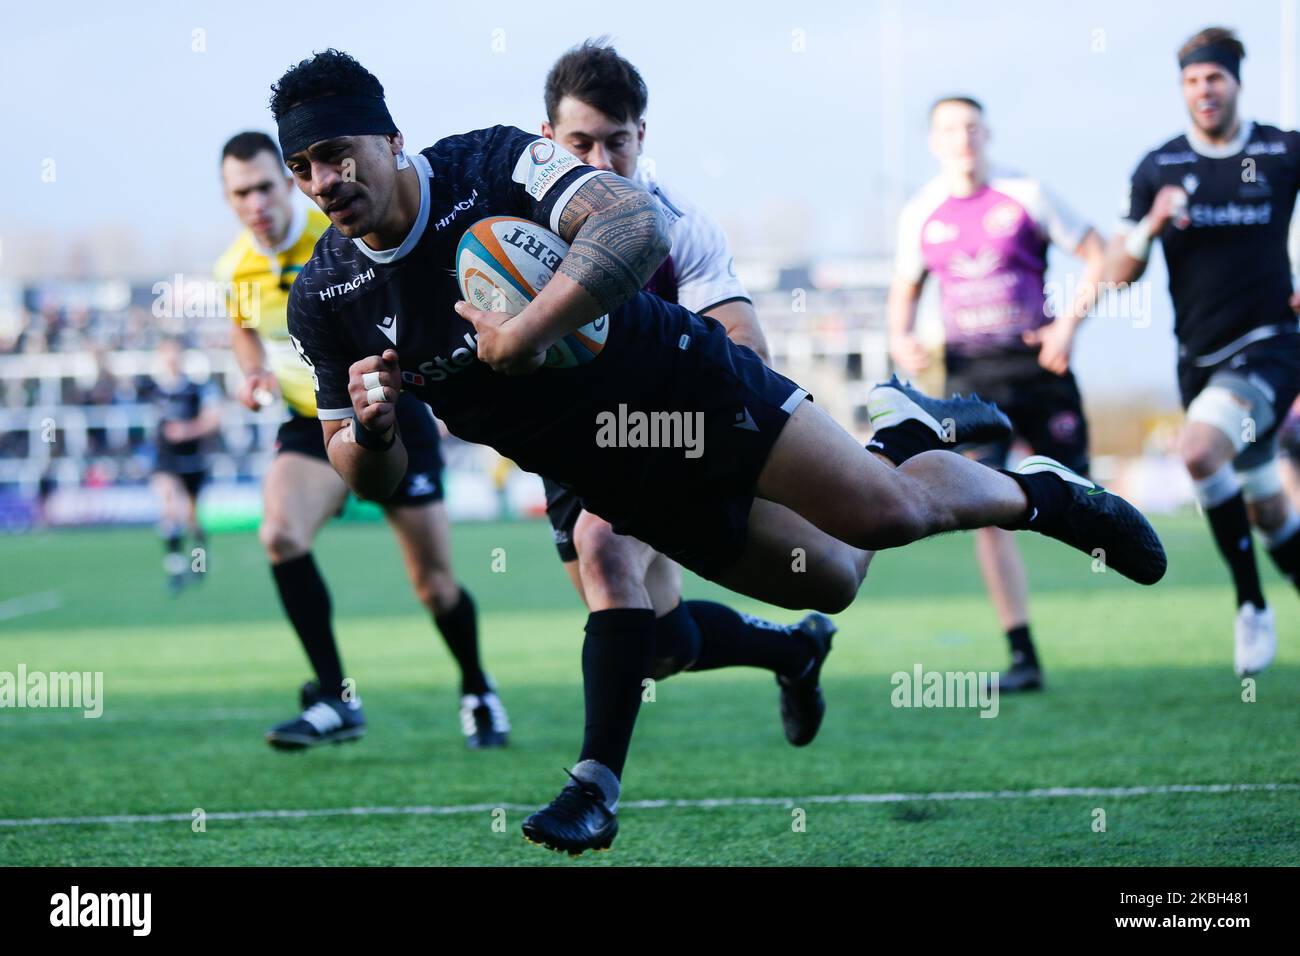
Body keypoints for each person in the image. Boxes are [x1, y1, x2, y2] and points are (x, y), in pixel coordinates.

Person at [274, 50, 1165, 854]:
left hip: (684, 390)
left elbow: (631, 225)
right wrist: (374, 432)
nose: (324, 181)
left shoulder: (490, 162)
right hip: (604, 465)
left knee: (884, 515)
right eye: (304, 167)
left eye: (338, 153)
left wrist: (527, 333)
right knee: (830, 580)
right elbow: (364, 471)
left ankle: (1047, 498)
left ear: (391, 139)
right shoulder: (323, 296)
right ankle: (894, 446)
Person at [538, 39, 837, 738]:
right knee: (658, 646)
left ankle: (593, 782)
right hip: (561, 445)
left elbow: (745, 348)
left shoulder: (677, 224)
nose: (600, 163)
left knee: (603, 551)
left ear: (642, 135)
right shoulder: (510, 222)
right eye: (580, 143)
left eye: (617, 142)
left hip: (650, 437)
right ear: (545, 137)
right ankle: (796, 650)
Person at [215, 130, 509, 749]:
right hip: (311, 421)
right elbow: (242, 324)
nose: (256, 204)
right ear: (228, 199)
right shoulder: (234, 268)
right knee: (280, 534)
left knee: (434, 585)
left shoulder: (340, 236)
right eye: (241, 193)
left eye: (266, 186)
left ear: (288, 184)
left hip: (391, 411)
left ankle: (477, 687)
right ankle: (334, 698)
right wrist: (254, 372)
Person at [889, 95, 1105, 691]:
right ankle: (1022, 655)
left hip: (1037, 368)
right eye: (950, 130)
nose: (963, 138)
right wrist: (901, 337)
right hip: (970, 380)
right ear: (934, 142)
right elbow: (904, 291)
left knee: (1085, 498)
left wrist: (1068, 327)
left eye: (972, 127)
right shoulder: (921, 214)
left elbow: (1099, 254)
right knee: (984, 505)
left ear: (987, 134)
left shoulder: (1026, 193)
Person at [1106, 26, 1300, 677]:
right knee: (1266, 502)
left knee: (1196, 450)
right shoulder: (1158, 168)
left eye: (1214, 77)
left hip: (1271, 347)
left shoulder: (1281, 151)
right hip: (1199, 361)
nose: (1203, 90)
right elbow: (1118, 272)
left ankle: (1251, 606)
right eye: (1191, 80)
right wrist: (1151, 226)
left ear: (1236, 81)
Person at [150, 336, 221, 594]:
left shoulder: (195, 388)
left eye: (174, 352)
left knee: (191, 517)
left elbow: (213, 419)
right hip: (165, 460)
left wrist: (186, 431)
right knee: (169, 508)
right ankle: (175, 569)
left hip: (192, 460)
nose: (170, 357)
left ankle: (199, 562)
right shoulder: (153, 389)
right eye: (165, 352)